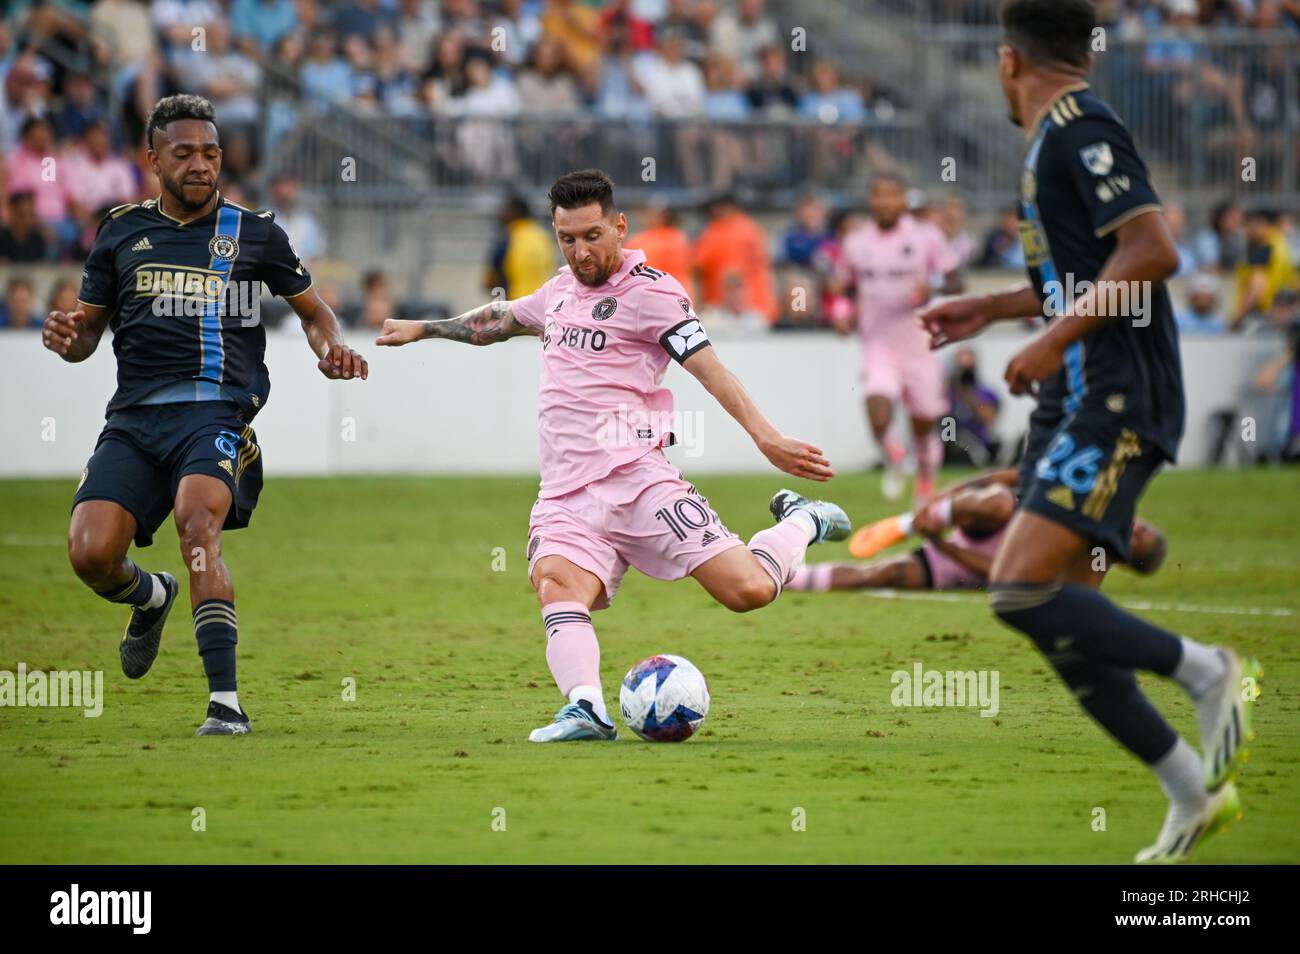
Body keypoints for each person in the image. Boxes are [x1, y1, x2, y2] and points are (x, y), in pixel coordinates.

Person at [917, 0, 1258, 864]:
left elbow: (1151, 251)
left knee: (1018, 588)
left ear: (1008, 61)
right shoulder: (1054, 140)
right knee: (1054, 614)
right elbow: (1077, 279)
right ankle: (1191, 793)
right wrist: (991, 308)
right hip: (1073, 397)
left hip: (1114, 391)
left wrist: (1051, 339)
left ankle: (1207, 671)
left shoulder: (1080, 123)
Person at [374, 168, 850, 742]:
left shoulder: (653, 292)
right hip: (566, 493)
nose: (580, 251)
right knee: (556, 583)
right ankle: (587, 709)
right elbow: (498, 321)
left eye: (592, 235)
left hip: (637, 481)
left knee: (747, 592)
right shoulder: (558, 292)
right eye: (567, 238)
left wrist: (765, 436)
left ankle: (801, 520)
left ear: (619, 226)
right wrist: (424, 328)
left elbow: (709, 368)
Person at [41, 95, 368, 737]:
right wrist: (67, 336)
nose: (200, 164)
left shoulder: (256, 233)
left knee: (197, 523)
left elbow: (313, 312)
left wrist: (332, 347)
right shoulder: (119, 232)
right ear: (154, 159)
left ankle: (225, 703)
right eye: (184, 152)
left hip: (215, 413)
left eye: (210, 153)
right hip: (134, 421)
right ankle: (151, 595)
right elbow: (87, 338)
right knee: (90, 554)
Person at [793, 468, 1167, 592]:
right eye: (1143, 526)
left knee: (878, 575)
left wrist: (943, 546)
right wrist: (949, 493)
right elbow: (1017, 475)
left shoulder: (1087, 572)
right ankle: (921, 519)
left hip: (986, 559)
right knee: (1000, 501)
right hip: (995, 520)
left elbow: (1001, 575)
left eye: (1137, 539)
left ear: (1127, 558)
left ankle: (784, 578)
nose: (1135, 526)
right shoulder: (1093, 494)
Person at [831, 170, 964, 502]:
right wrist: (841, 314)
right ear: (871, 199)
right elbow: (839, 287)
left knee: (924, 421)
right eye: (879, 194)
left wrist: (931, 287)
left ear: (904, 199)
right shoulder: (857, 242)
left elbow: (957, 282)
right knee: (877, 412)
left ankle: (925, 481)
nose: (885, 201)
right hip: (878, 344)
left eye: (892, 194)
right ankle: (894, 455)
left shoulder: (926, 237)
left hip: (921, 343)